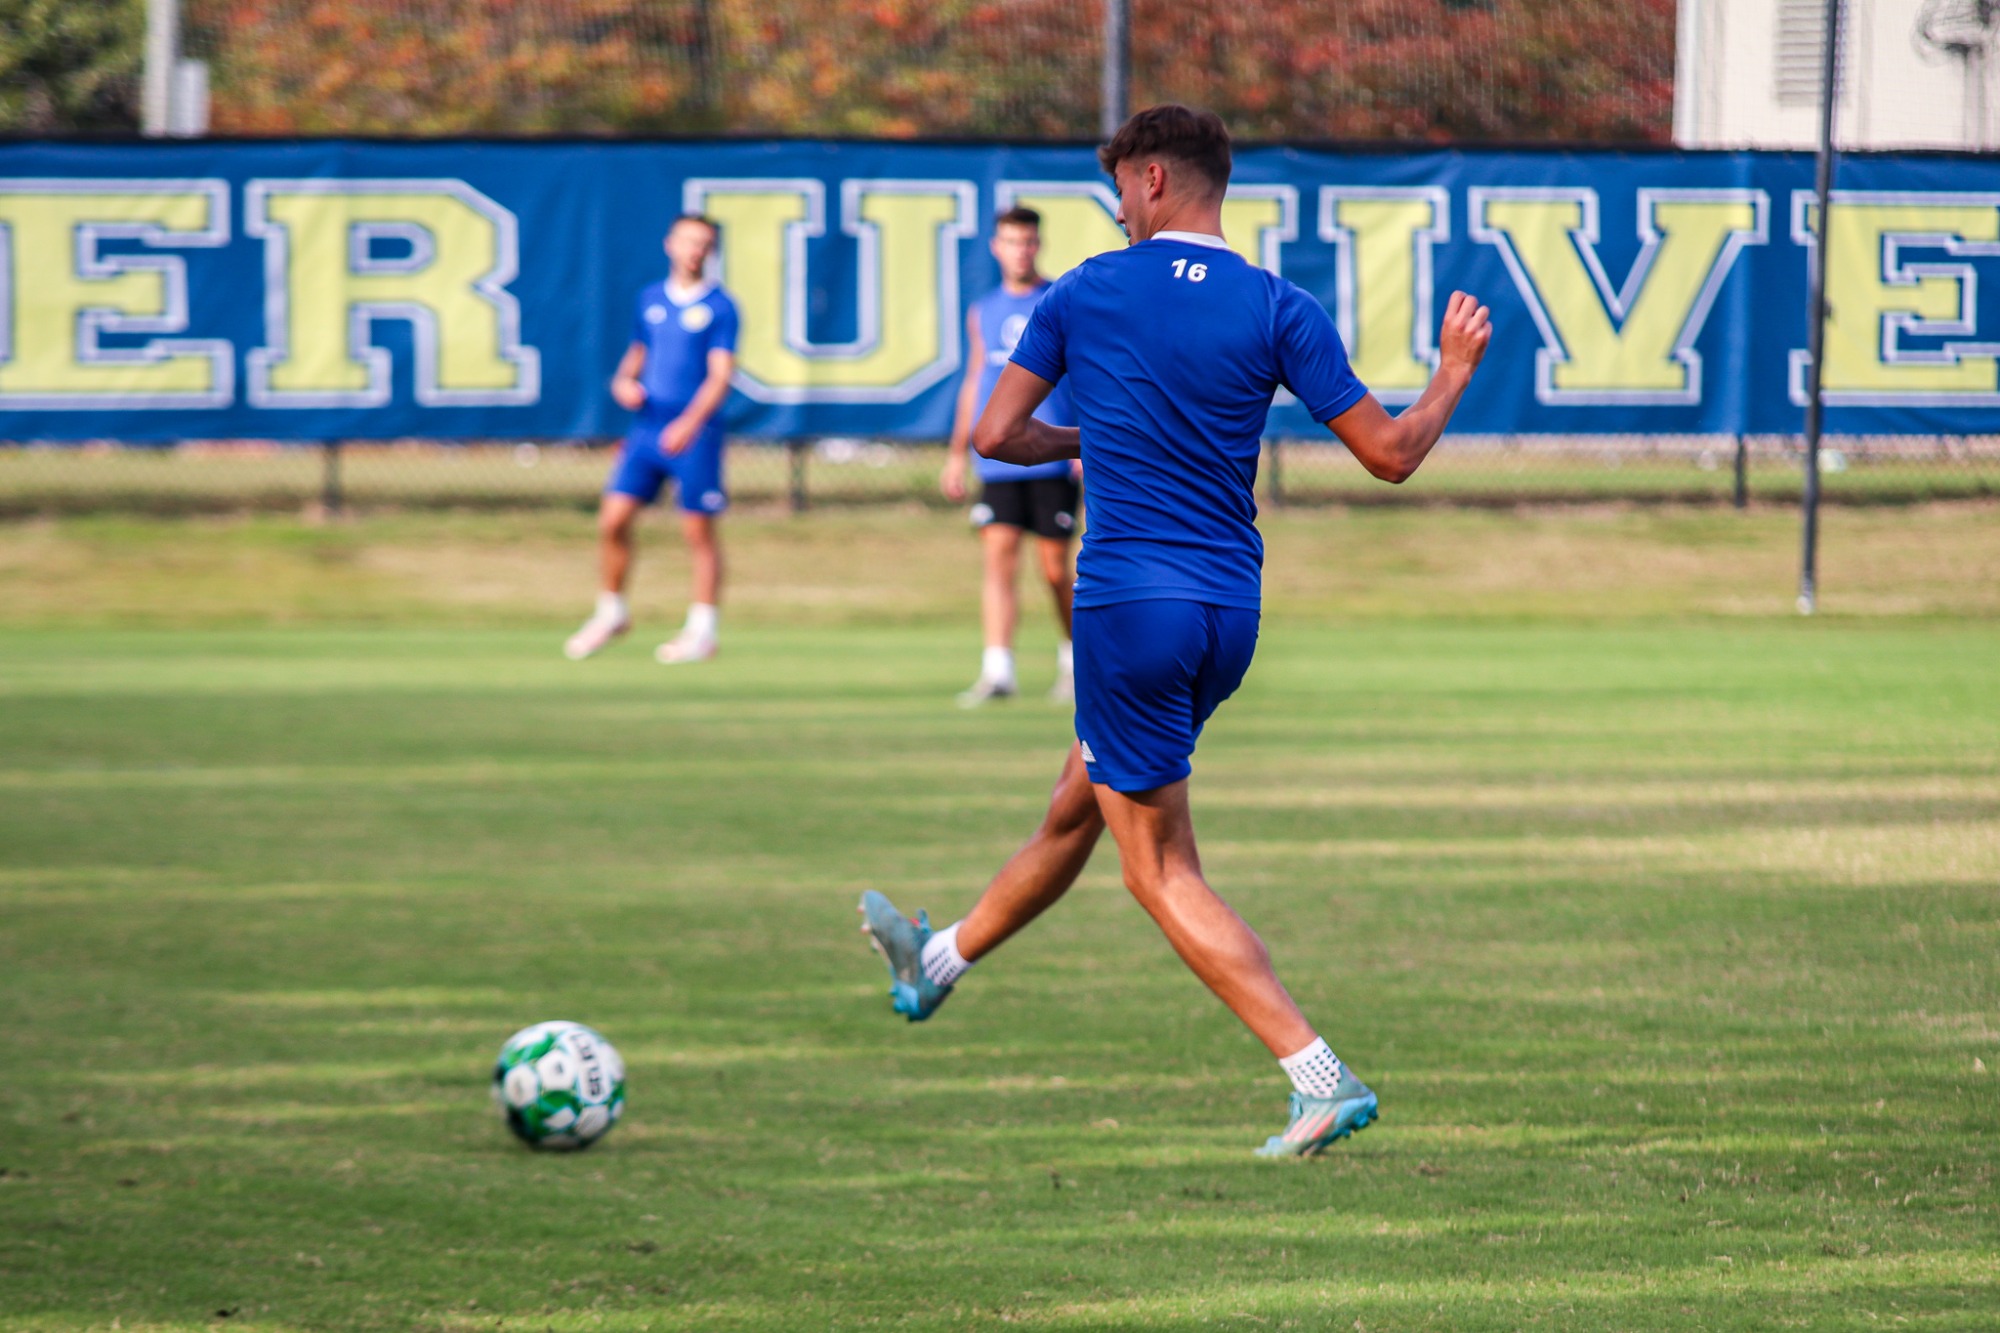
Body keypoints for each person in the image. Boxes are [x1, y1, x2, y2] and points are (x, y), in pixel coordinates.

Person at [859, 106, 1491, 1157]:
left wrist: (1098, 431)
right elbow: (1388, 454)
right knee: (1081, 801)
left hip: (1127, 607)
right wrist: (1451, 374)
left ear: (1152, 179)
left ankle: (1316, 1075)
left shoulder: (1086, 291)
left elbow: (995, 435)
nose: (1113, 208)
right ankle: (936, 966)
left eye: (1117, 187)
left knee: (1154, 866)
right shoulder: (1277, 304)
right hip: (1225, 614)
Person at [565, 215, 739, 665]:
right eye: (688, 241)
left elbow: (721, 376)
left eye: (704, 244)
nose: (695, 251)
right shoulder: (650, 299)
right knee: (613, 519)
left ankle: (702, 629)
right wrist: (623, 382)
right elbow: (635, 359)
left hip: (694, 433)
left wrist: (690, 422)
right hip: (646, 428)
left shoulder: (720, 307)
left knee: (697, 529)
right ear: (670, 244)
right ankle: (612, 611)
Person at [940, 206, 1082, 707]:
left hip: (1049, 455)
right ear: (996, 247)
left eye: (1026, 241)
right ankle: (998, 669)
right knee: (998, 562)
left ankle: (1074, 661)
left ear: (1036, 246)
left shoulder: (1059, 299)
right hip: (999, 457)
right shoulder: (983, 309)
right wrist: (958, 453)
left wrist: (1082, 443)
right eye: (1009, 241)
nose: (1018, 250)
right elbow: (976, 380)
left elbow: (1082, 375)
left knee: (1053, 568)